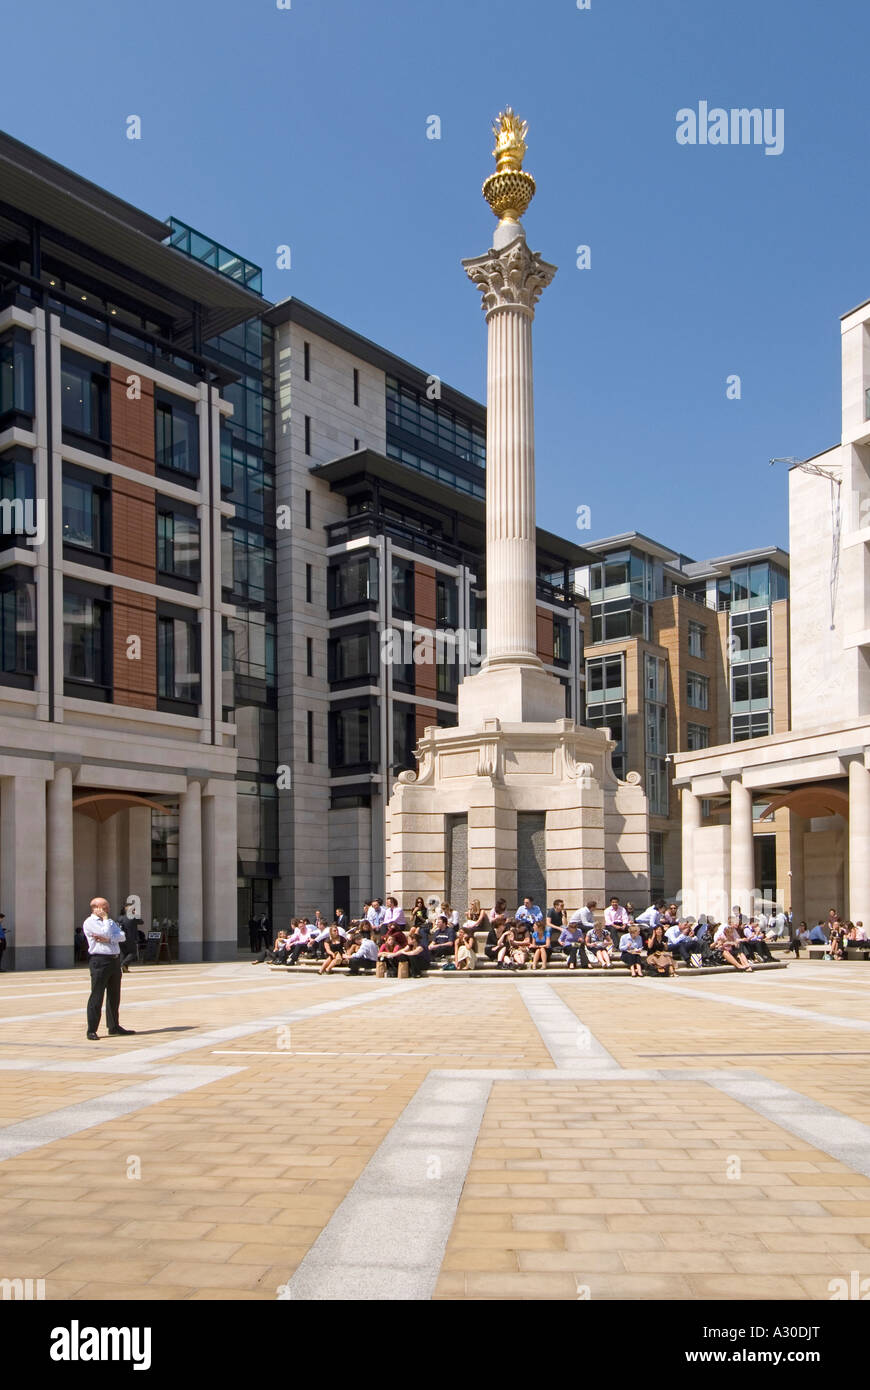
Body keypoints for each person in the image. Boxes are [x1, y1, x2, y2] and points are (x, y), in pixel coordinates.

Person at [83, 898, 135, 1039]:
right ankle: (91, 1029)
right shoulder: (89, 922)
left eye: (107, 907)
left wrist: (110, 939)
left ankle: (114, 1026)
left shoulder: (110, 922)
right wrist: (108, 929)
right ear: (95, 908)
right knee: (97, 995)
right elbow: (105, 933)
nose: (107, 909)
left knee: (114, 995)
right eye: (104, 907)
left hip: (114, 960)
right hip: (100, 961)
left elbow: (122, 936)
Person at [119, 899, 143, 972]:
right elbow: (141, 922)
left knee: (123, 953)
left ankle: (125, 968)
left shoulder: (120, 918)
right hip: (130, 938)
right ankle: (123, 964)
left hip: (121, 938)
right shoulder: (133, 917)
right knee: (133, 953)